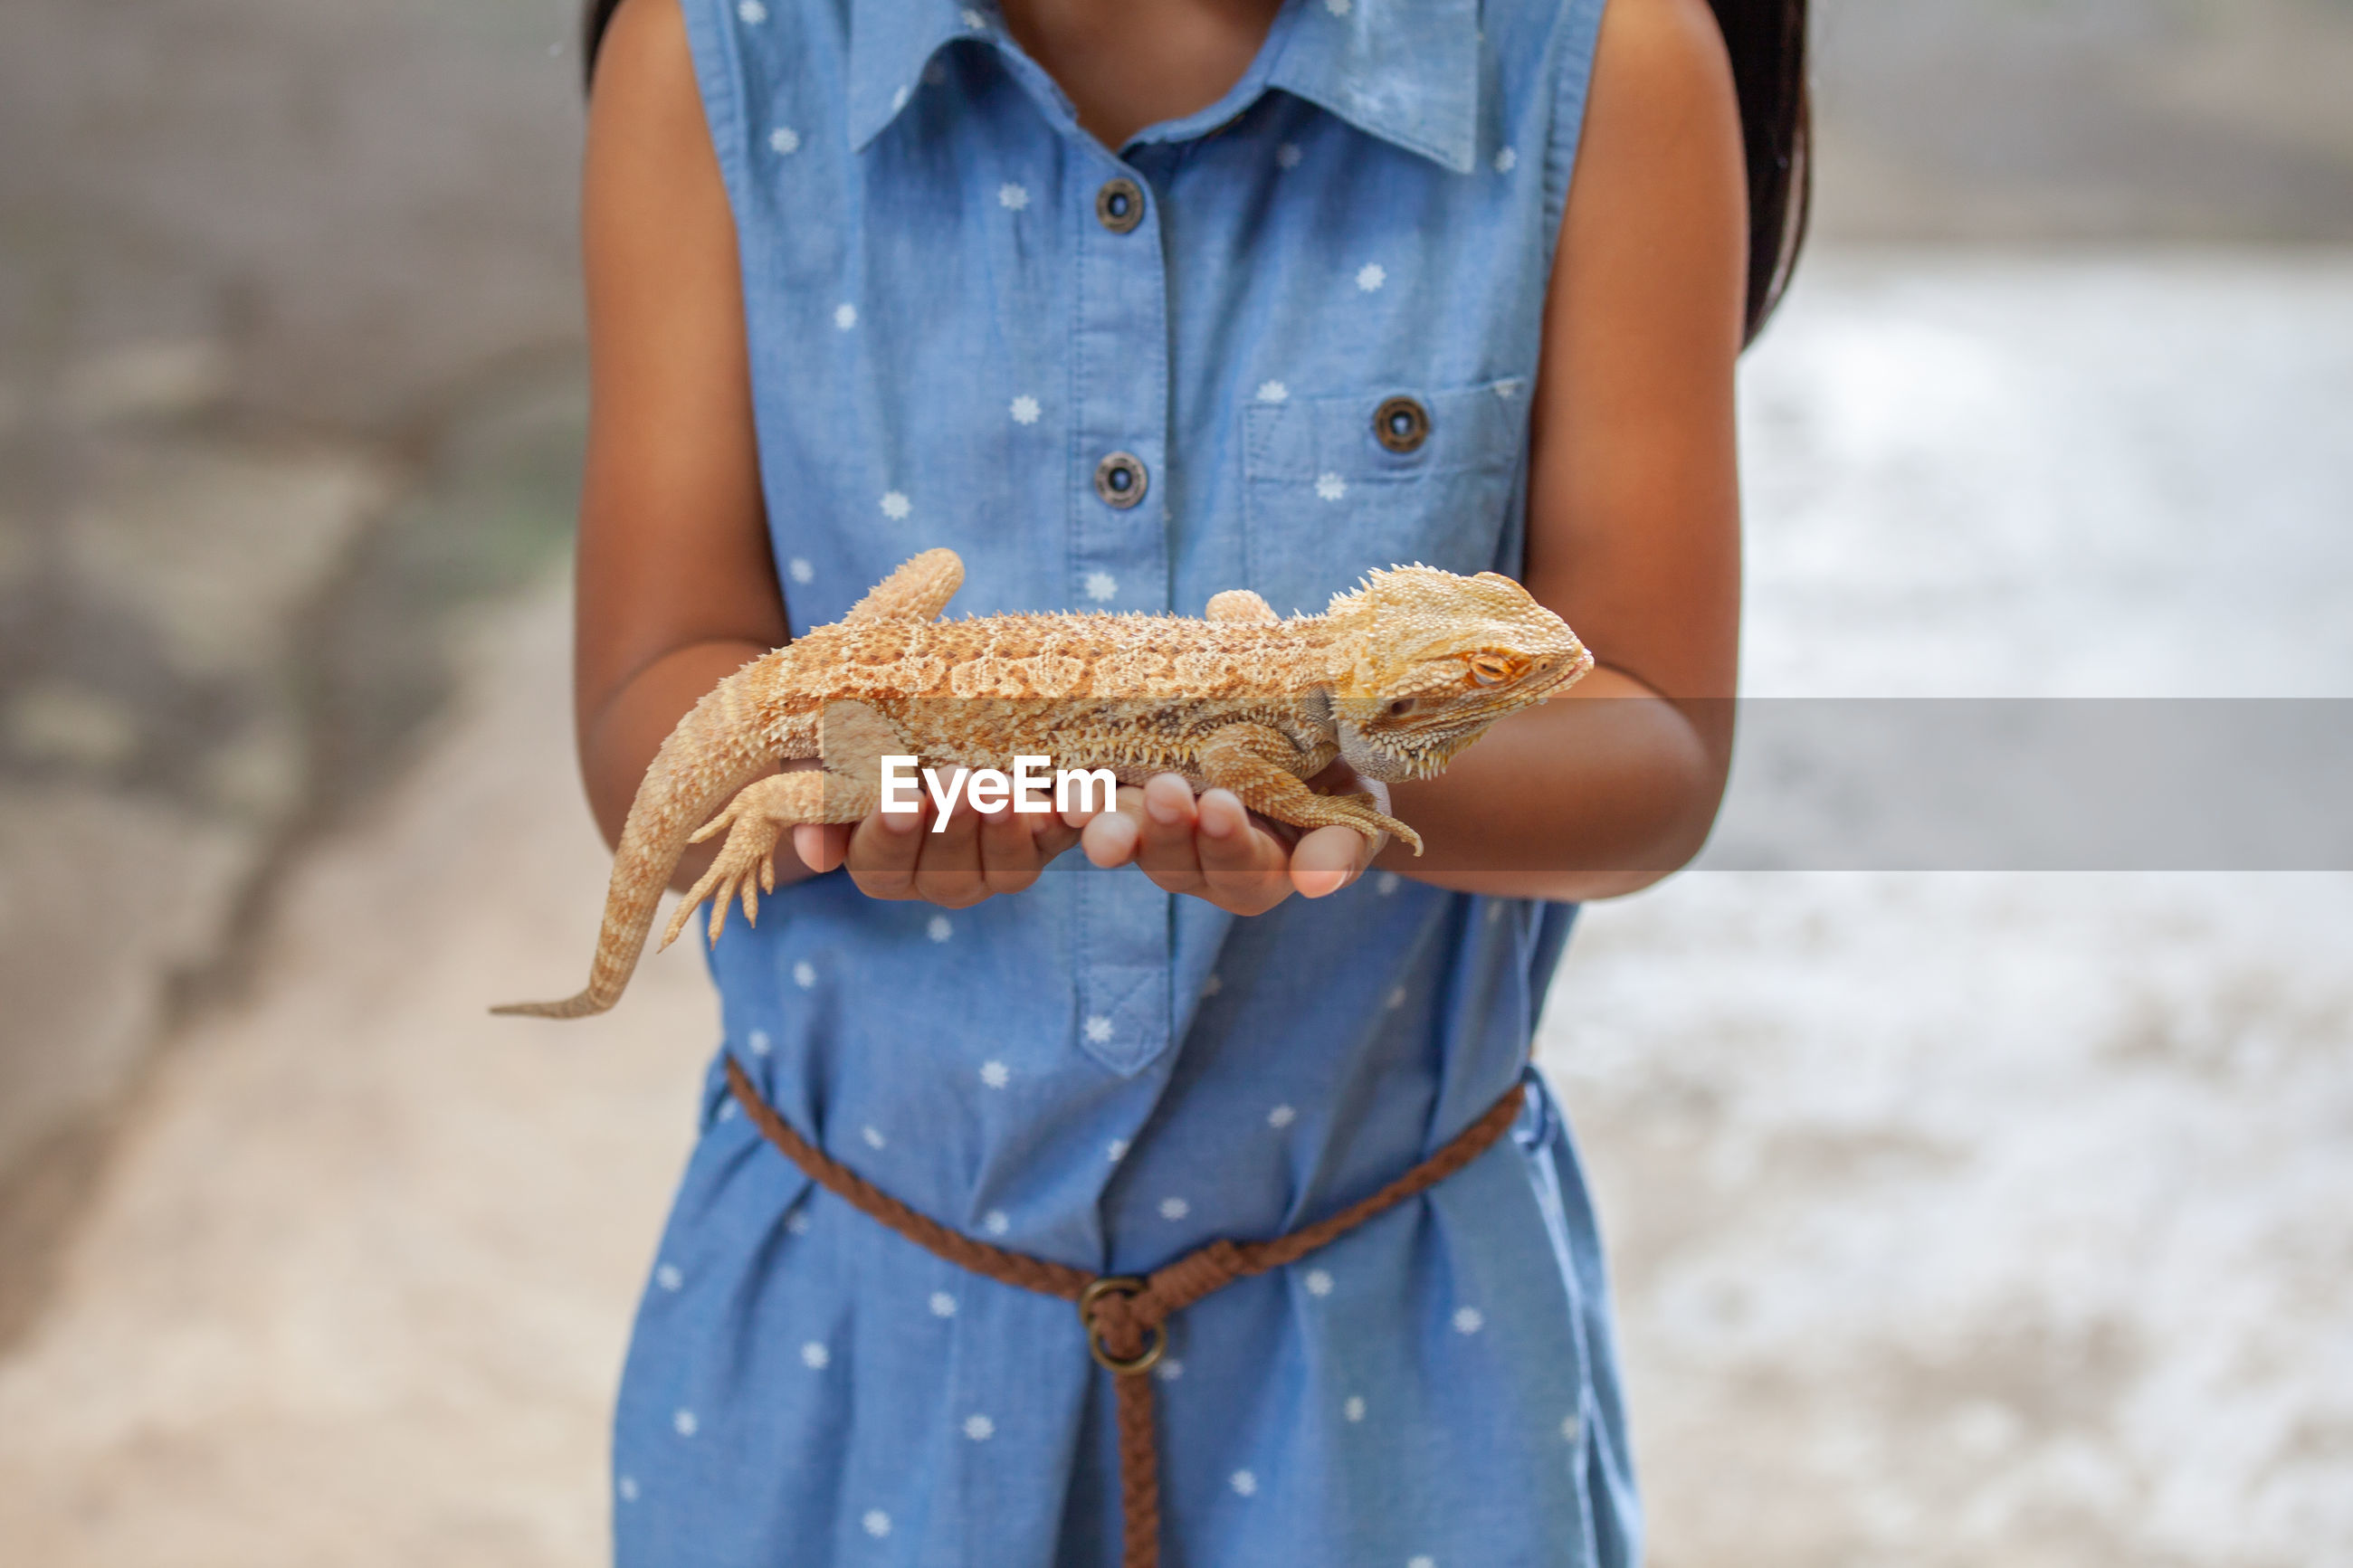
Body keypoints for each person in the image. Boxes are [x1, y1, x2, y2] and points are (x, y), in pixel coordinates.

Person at [573, 0, 1804, 1560]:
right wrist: (860, 789)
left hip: (1392, 1375)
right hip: (844, 1354)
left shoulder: (1601, 54)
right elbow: (653, 702)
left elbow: (1657, 747)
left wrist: (1323, 763)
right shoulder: (716, 53)